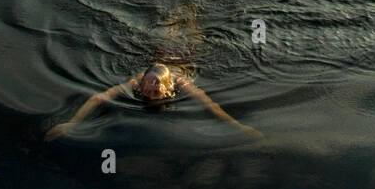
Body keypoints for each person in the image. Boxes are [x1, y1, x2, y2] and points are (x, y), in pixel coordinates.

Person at [45, 61, 262, 140]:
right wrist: (72, 123)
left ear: (168, 90)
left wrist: (237, 126)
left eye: (154, 89)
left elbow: (210, 105)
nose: (151, 90)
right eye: (150, 88)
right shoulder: (140, 83)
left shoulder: (180, 85)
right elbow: (99, 98)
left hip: (179, 55)